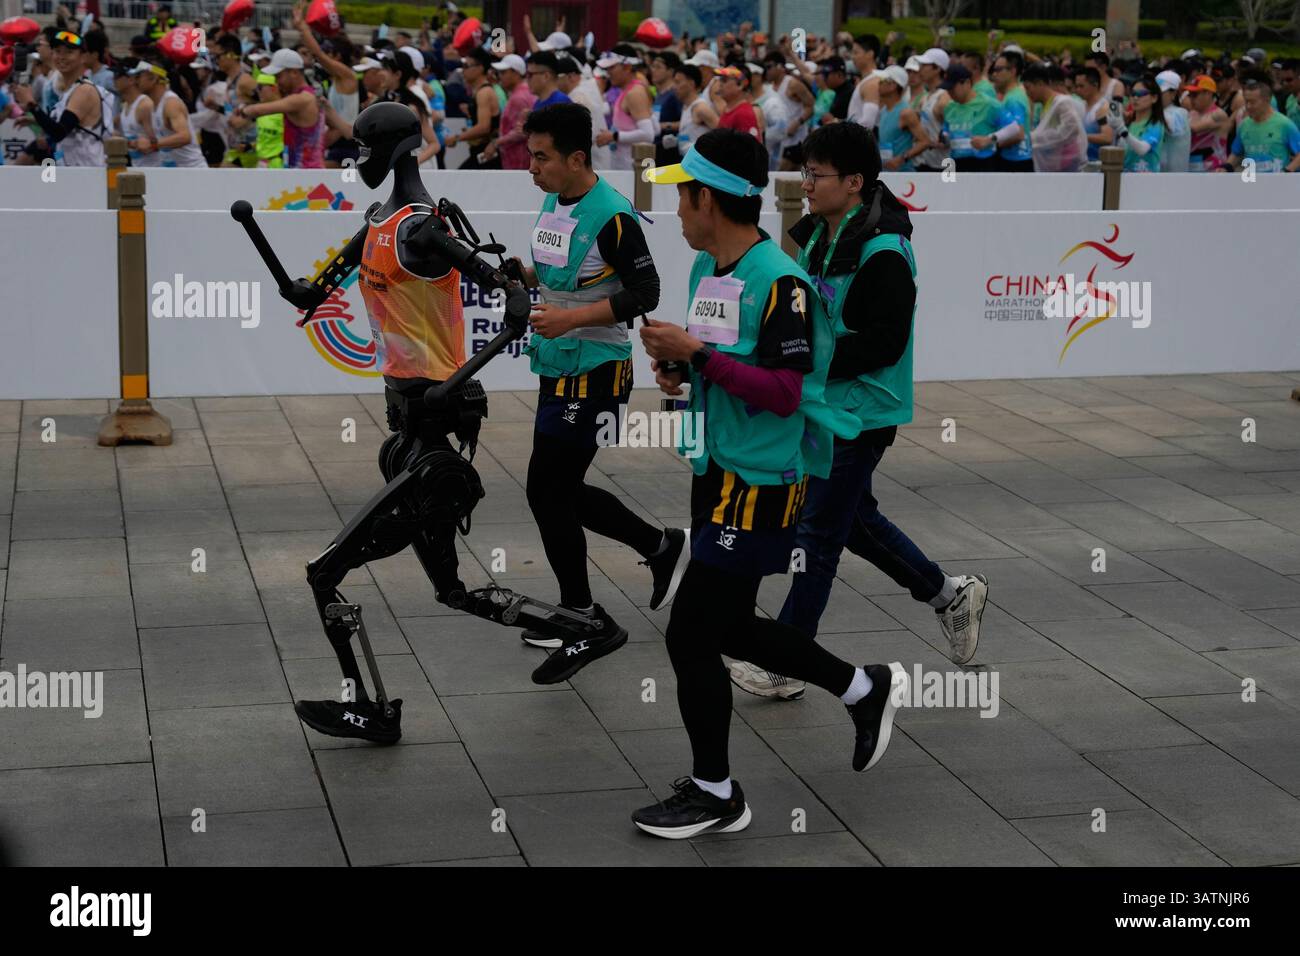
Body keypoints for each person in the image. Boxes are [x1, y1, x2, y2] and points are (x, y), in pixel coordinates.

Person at [637, 128, 907, 838]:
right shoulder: (707, 273)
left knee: (691, 634)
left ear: (711, 200)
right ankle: (860, 687)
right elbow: (723, 366)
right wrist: (683, 371)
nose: (675, 210)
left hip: (760, 480)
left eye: (682, 196)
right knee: (727, 626)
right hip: (716, 469)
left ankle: (716, 792)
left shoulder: (778, 281)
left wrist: (696, 353)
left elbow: (785, 391)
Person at [729, 120, 987, 700]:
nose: (805, 184)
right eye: (804, 172)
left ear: (854, 181)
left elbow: (883, 342)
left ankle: (786, 662)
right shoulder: (823, 233)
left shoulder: (884, 251)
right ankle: (949, 594)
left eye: (814, 175)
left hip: (864, 412)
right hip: (828, 405)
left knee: (817, 531)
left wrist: (803, 363)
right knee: (856, 523)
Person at [511, 103, 685, 684]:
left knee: (546, 489)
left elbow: (647, 288)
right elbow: (562, 269)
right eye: (530, 155)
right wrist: (525, 276)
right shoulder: (555, 199)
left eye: (541, 158)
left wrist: (573, 317)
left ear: (577, 158)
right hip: (557, 364)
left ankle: (584, 616)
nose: (531, 168)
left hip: (599, 370)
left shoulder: (613, 215)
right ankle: (660, 548)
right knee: (556, 490)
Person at [11, 31, 112, 167]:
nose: (62, 57)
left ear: (83, 57)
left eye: (69, 52)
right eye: (57, 51)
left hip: (88, 174)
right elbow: (66, 125)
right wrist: (34, 119)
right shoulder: (69, 91)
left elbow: (59, 132)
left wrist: (31, 104)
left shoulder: (84, 90)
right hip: (71, 170)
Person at [293, 1, 361, 168]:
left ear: (337, 56)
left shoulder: (348, 76)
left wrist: (302, 27)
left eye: (329, 52)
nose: (325, 58)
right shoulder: (336, 79)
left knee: (344, 191)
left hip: (348, 149)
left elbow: (318, 54)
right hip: (339, 144)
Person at [1222, 76, 1300, 173]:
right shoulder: (1244, 125)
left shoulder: (1284, 124)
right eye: (1246, 102)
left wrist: (1286, 171)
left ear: (1267, 100)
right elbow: (1236, 153)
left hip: (1277, 185)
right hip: (1251, 183)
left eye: (1253, 102)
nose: (1248, 106)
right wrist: (1225, 168)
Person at [595, 45, 654, 170]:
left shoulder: (635, 93)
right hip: (624, 168)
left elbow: (649, 134)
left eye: (612, 67)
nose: (608, 73)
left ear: (627, 67)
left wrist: (614, 136)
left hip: (632, 172)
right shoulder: (626, 90)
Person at [1023, 63, 1087, 172]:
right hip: (1057, 166)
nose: (1027, 93)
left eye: (1028, 88)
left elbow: (1071, 129)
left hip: (1069, 167)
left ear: (1040, 83)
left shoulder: (1062, 103)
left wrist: (1036, 138)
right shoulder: (1046, 106)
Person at [445, 47, 500, 168]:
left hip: (486, 153)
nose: (462, 70)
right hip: (481, 151)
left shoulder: (484, 93)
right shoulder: (479, 91)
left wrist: (457, 138)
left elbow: (484, 127)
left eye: (466, 66)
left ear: (480, 68)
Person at [555, 52, 611, 170]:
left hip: (593, 162)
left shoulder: (578, 97)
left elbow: (580, 134)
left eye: (557, 77)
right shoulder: (584, 90)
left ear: (571, 76)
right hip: (595, 158)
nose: (555, 82)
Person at [940, 64, 1000, 172]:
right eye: (947, 89)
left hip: (983, 164)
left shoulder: (988, 103)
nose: (950, 93)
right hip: (956, 164)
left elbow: (1014, 129)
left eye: (952, 88)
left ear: (967, 82)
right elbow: (946, 131)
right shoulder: (949, 107)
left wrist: (989, 139)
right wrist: (944, 137)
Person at [763, 52, 813, 170]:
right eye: (765, 67)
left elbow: (811, 105)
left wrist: (797, 123)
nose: (767, 71)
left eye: (769, 67)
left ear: (780, 67)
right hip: (775, 142)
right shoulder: (768, 87)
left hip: (794, 141)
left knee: (781, 178)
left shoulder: (793, 84)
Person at [482, 53, 533, 170]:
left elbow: (520, 131)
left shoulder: (518, 97)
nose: (500, 76)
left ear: (516, 73)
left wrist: (496, 143)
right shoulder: (524, 92)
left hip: (518, 160)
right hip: (521, 159)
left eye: (503, 72)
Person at [875, 65, 929, 171]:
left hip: (904, 175)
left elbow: (925, 142)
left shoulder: (906, 113)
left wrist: (901, 158)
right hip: (886, 173)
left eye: (882, 80)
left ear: (893, 85)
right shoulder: (884, 110)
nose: (878, 83)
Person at [1110, 73, 1165, 172]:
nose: (1135, 98)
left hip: (1146, 181)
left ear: (1154, 98)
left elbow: (1142, 149)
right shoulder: (1129, 123)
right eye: (1133, 93)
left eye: (1142, 94)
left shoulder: (1155, 124)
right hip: (1126, 179)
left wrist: (1121, 129)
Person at [990, 50, 1032, 171]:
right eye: (994, 70)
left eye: (998, 70)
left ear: (1013, 71)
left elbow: (1018, 134)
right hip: (1019, 158)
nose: (994, 74)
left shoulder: (1013, 98)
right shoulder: (1016, 94)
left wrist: (989, 143)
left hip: (1015, 160)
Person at [913, 48, 951, 171]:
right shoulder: (925, 96)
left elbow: (953, 130)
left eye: (924, 65)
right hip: (924, 163)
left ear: (937, 69)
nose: (920, 69)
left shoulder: (945, 97)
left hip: (942, 166)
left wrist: (945, 141)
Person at [114, 63, 159, 167]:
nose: (114, 79)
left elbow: (157, 145)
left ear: (131, 80)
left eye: (118, 76)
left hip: (154, 168)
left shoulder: (144, 106)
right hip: (137, 167)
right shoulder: (125, 105)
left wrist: (128, 143)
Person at [673, 63, 719, 157]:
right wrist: (677, 140)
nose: (674, 87)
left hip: (701, 164)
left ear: (691, 83)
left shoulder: (701, 108)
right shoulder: (686, 106)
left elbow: (723, 134)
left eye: (678, 82)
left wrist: (702, 149)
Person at [1185, 74, 1230, 171]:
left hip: (1214, 169)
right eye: (1190, 95)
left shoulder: (1218, 114)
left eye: (1195, 95)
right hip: (1192, 168)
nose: (1191, 99)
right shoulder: (1191, 113)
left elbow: (1194, 128)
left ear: (1208, 94)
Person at [1074, 65, 1115, 163]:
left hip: (1098, 165)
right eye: (1076, 86)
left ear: (1095, 85)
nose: (1078, 90)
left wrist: (1081, 136)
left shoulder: (1103, 108)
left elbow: (1107, 137)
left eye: (1082, 86)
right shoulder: (1081, 105)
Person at [649, 50, 683, 166]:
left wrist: (665, 125)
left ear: (670, 71)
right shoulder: (659, 94)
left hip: (670, 153)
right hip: (657, 151)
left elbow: (686, 122)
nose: (653, 70)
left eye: (658, 67)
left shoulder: (675, 95)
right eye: (653, 66)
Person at [714, 65, 762, 142]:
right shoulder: (728, 109)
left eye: (724, 80)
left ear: (740, 85)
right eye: (720, 79)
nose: (720, 84)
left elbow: (752, 150)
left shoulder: (744, 114)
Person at [1156, 69, 1191, 172]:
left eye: (1160, 93)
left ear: (1173, 93)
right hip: (1157, 175)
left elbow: (1171, 128)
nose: (1156, 96)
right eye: (1154, 92)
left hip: (1176, 178)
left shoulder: (1180, 113)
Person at [845, 33, 881, 128]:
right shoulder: (866, 80)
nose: (852, 57)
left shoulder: (872, 83)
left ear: (870, 54)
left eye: (856, 53)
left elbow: (867, 123)